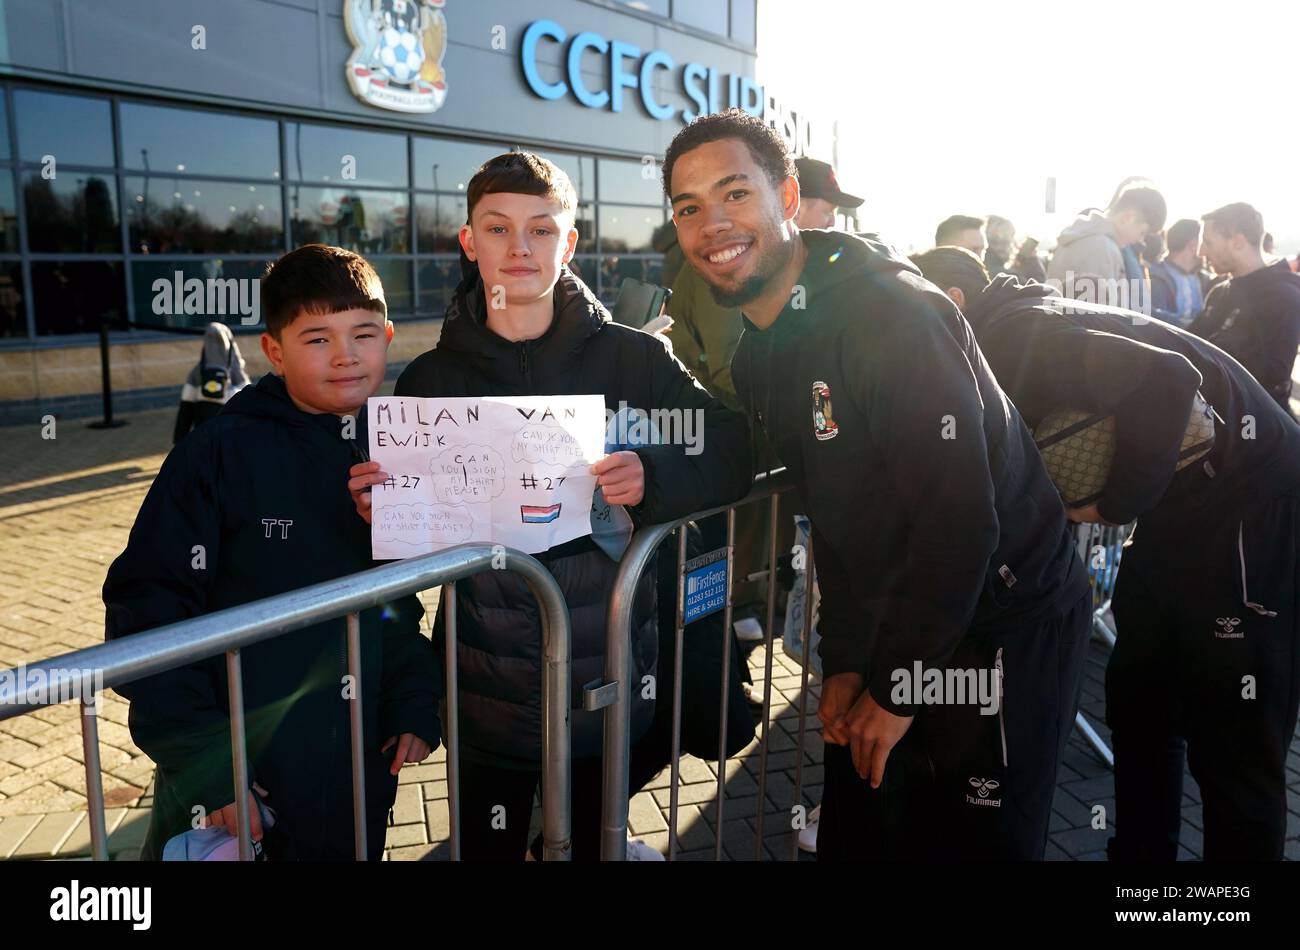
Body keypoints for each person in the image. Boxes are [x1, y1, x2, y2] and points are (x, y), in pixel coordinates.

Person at [664, 109, 1091, 861]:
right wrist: (851, 658)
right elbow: (834, 517)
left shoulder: (891, 316)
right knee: (865, 830)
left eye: (734, 194)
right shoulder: (767, 350)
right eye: (689, 207)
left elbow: (960, 526)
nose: (711, 224)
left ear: (788, 198)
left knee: (973, 845)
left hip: (1001, 622)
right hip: (903, 624)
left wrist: (897, 688)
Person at [349, 151, 752, 861]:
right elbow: (403, 537)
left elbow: (730, 447)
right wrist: (381, 512)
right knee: (488, 845)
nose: (520, 248)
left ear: (568, 243)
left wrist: (654, 475)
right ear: (470, 243)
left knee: (597, 842)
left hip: (608, 682)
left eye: (541, 229)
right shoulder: (432, 377)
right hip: (483, 691)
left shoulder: (633, 360)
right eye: (498, 229)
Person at [911, 245, 1300, 860]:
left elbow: (1171, 379)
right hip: (1183, 511)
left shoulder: (1013, 335)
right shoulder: (1008, 324)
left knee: (1234, 740)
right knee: (1142, 706)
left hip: (1251, 508)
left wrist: (1116, 506)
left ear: (953, 304)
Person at [103, 244, 442, 861]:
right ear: (274, 350)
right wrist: (208, 765)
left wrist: (412, 697)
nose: (345, 355)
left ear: (388, 337)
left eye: (363, 333)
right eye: (317, 339)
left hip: (357, 764)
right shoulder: (219, 454)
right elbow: (146, 615)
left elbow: (394, 600)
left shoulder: (393, 449)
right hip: (242, 777)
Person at [1189, 202, 1300, 417]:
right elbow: (1189, 343)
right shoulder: (1219, 290)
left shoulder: (1283, 297)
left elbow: (1274, 375)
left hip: (1256, 429)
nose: (1201, 251)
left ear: (1238, 242)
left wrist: (1219, 348)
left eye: (1208, 242)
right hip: (1209, 420)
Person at [1046, 185, 1167, 308]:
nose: (1140, 240)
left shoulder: (1086, 236)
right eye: (1142, 233)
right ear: (1127, 219)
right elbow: (1100, 314)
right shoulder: (1101, 248)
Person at [172, 322, 250, 443]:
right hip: (229, 428)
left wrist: (179, 438)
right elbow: (249, 401)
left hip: (203, 426)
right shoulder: (235, 369)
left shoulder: (197, 371)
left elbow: (185, 408)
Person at [1148, 218, 1211, 328]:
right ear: (1193, 245)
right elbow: (1154, 321)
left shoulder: (1206, 280)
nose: (1208, 250)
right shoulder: (1153, 278)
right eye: (1205, 242)